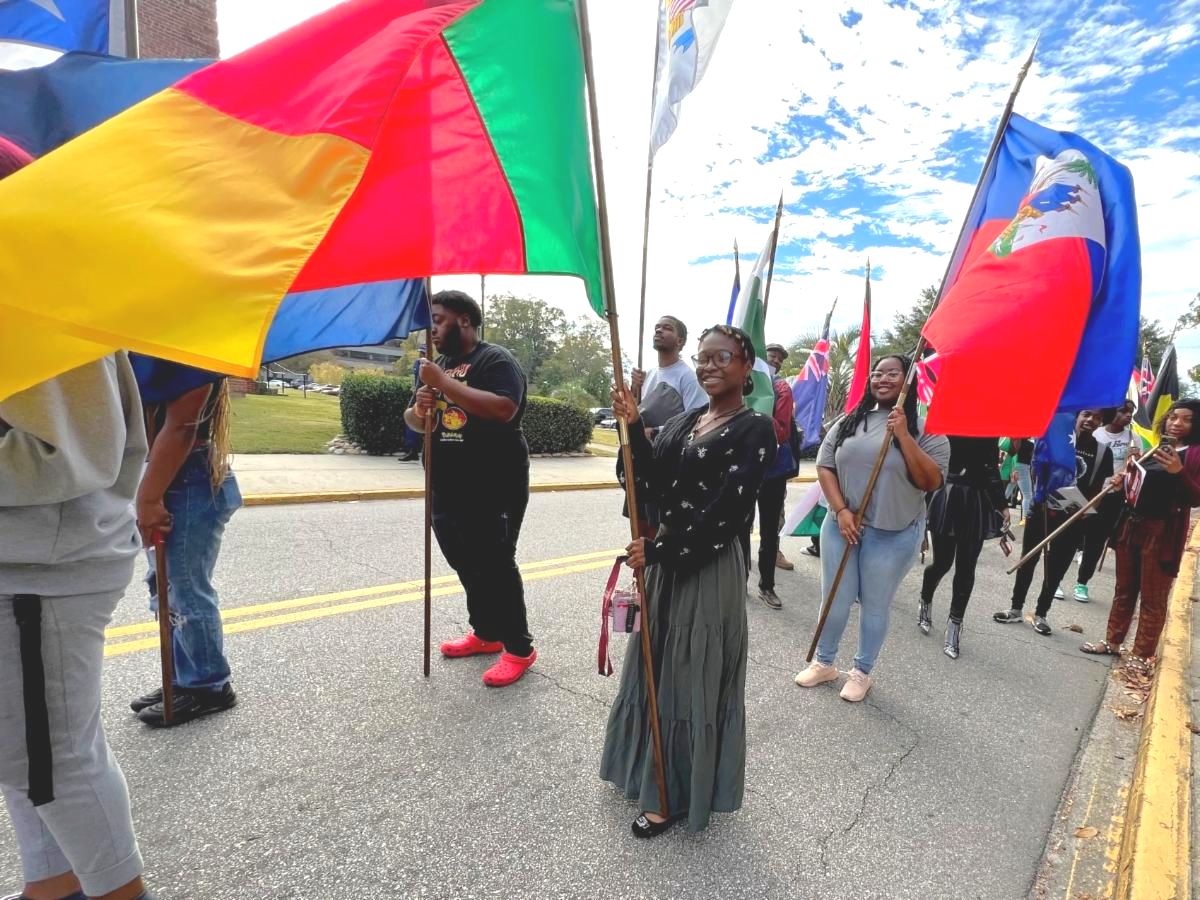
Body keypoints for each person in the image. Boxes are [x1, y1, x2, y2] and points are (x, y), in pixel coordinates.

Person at [0, 137, 157, 900]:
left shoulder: (39, 297)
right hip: (31, 561)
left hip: (42, 569)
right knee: (23, 754)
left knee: (52, 756)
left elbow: (67, 453)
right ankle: (52, 887)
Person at [600, 325, 776, 837]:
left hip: (707, 564)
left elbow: (728, 513)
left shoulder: (754, 428)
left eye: (723, 357)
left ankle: (676, 793)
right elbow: (648, 480)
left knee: (690, 677)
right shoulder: (686, 420)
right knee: (655, 669)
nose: (710, 365)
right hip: (663, 560)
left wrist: (660, 550)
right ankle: (643, 769)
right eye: (703, 358)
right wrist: (632, 427)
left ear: (747, 368)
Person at [794, 356, 949, 702]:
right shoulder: (849, 421)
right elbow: (824, 464)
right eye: (877, 373)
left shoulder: (928, 431)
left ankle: (861, 672)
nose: (882, 378)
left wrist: (904, 436)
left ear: (908, 381)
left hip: (891, 534)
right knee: (834, 600)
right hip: (843, 527)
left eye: (893, 373)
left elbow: (931, 481)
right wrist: (841, 510)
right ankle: (825, 662)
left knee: (875, 606)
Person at [404, 291, 535, 687]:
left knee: (495, 565)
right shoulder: (434, 367)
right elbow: (413, 420)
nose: (432, 330)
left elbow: (503, 408)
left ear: (464, 320)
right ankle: (486, 633)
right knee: (464, 561)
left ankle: (519, 647)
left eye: (439, 320)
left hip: (493, 482)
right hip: (445, 482)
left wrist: (443, 382)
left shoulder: (494, 360)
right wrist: (421, 408)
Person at [127, 356, 242, 727]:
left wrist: (148, 498)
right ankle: (181, 678)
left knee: (186, 589)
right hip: (168, 475)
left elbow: (182, 426)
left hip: (189, 477)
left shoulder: (195, 347)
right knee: (166, 587)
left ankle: (208, 685)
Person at [1082, 401, 1200, 667]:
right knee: (1124, 589)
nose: (1176, 423)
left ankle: (1142, 653)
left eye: (1185, 419)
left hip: (1161, 534)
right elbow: (1141, 485)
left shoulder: (1194, 454)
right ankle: (1112, 642)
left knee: (1152, 596)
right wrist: (1123, 479)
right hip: (1132, 526)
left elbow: (1195, 498)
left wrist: (1179, 472)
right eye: (1172, 417)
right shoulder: (1156, 448)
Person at [993, 410, 1113, 635]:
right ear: (1076, 417)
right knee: (1028, 560)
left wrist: (1088, 509)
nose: (1090, 420)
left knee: (1056, 567)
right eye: (1086, 415)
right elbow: (1029, 460)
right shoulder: (1054, 437)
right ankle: (1016, 608)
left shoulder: (1102, 453)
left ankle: (1041, 614)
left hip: (1073, 519)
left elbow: (1098, 487)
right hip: (1041, 511)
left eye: (1097, 417)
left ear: (1100, 422)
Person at [918, 436, 1008, 658]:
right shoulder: (945, 424)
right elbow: (932, 463)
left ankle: (955, 625)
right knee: (942, 563)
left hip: (975, 500)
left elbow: (991, 469)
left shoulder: (989, 429)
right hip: (947, 496)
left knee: (967, 568)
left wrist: (1002, 505)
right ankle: (925, 600)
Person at [745, 342, 800, 609]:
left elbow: (781, 430)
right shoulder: (747, 383)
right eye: (771, 355)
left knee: (769, 531)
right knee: (740, 526)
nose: (775, 360)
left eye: (779, 357)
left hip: (772, 470)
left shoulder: (781, 388)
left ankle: (767, 586)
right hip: (744, 468)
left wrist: (751, 430)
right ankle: (739, 580)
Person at [1072, 402, 1142, 602]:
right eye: (1123, 411)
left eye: (1131, 413)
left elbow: (1135, 469)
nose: (1128, 416)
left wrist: (1132, 464)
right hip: (1086, 493)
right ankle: (1056, 581)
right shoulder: (1096, 433)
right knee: (1072, 537)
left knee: (1096, 541)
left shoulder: (1133, 439)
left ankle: (1082, 583)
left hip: (1112, 497)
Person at [629, 316, 708, 434]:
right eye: (657, 327)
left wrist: (654, 432)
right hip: (640, 450)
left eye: (667, 328)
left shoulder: (689, 378)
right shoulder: (647, 375)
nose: (659, 330)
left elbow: (696, 421)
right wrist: (634, 390)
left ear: (679, 341)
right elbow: (637, 414)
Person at [398, 346, 426, 462]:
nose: (421, 354)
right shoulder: (419, 363)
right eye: (421, 352)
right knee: (412, 421)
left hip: (421, 395)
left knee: (415, 422)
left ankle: (414, 450)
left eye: (422, 352)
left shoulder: (427, 363)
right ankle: (413, 450)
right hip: (418, 393)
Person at [1001, 437, 1034, 524]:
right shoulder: (1030, 444)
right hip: (1023, 468)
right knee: (1027, 495)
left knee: (1008, 492)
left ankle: (998, 512)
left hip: (1013, 466)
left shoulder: (1014, 440)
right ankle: (1026, 518)